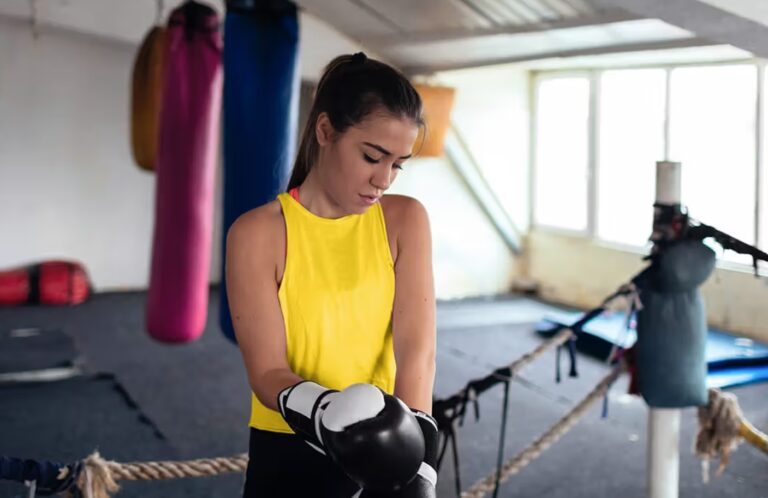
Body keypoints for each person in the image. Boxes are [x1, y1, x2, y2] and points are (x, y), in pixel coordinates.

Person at [225, 52, 438, 498]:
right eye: (372, 156)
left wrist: (416, 459)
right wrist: (327, 413)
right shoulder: (258, 233)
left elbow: (417, 354)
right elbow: (267, 372)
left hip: (390, 440)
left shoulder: (405, 221)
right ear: (326, 131)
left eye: (397, 164)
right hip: (289, 444)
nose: (384, 179)